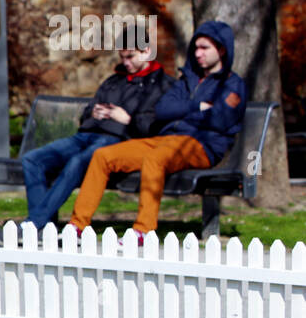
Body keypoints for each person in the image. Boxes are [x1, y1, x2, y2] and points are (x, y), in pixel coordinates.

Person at [70, 20, 247, 239]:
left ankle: (143, 231)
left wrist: (182, 112)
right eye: (196, 47)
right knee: (103, 156)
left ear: (221, 50)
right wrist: (197, 107)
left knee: (155, 159)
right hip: (166, 139)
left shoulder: (232, 84)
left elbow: (220, 119)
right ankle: (77, 226)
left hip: (202, 145)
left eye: (204, 48)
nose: (198, 53)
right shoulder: (186, 81)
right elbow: (162, 110)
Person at [22, 45, 169, 229]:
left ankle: (34, 223)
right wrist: (93, 112)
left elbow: (154, 126)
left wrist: (127, 119)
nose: (126, 62)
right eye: (122, 57)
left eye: (130, 57)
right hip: (86, 135)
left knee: (77, 162)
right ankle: (43, 226)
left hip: (117, 139)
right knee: (32, 159)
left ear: (146, 51)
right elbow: (86, 112)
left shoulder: (160, 85)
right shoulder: (114, 81)